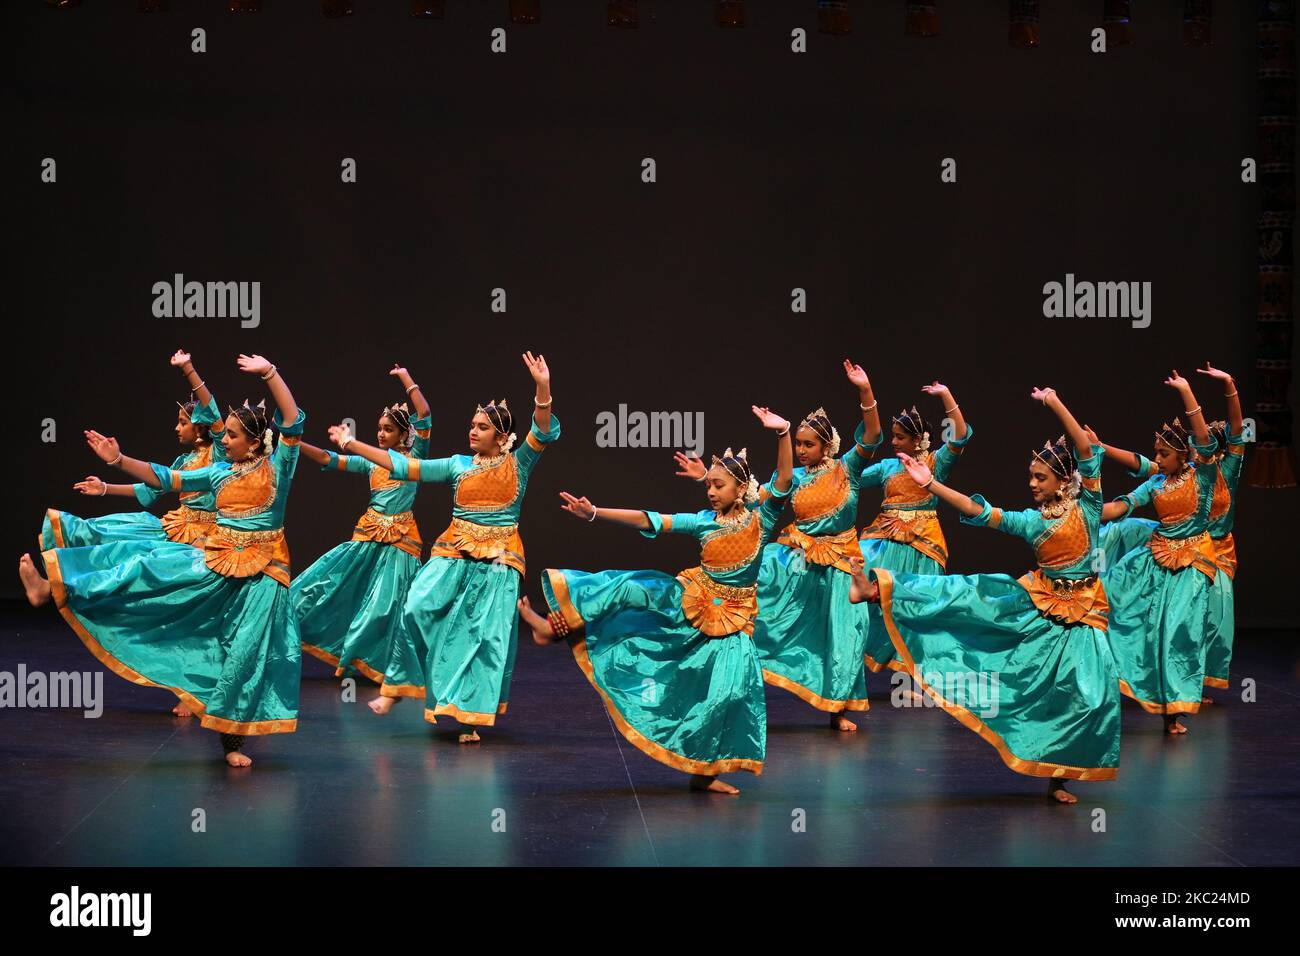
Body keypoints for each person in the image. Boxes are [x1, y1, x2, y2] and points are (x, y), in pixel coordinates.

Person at [18, 354, 306, 767]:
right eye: (224, 435)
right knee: (142, 568)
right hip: (216, 563)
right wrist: (119, 461)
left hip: (264, 577)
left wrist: (271, 374)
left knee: (242, 654)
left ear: (255, 441)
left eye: (233, 436)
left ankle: (231, 742)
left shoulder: (280, 468)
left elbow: (293, 421)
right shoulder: (218, 472)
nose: (224, 441)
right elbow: (165, 480)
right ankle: (54, 587)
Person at [850, 387, 1117, 804]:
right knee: (965, 594)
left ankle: (1060, 774)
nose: (1031, 484)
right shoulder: (1031, 521)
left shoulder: (1089, 504)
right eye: (1030, 476)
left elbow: (1084, 449)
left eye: (1040, 478)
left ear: (1064, 480)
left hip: (1086, 612)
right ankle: (878, 588)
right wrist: (932, 484)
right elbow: (980, 512)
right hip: (1043, 608)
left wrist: (1055, 403)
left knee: (1092, 695)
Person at [518, 406, 794, 795]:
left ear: (740, 490)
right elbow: (650, 519)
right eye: (708, 486)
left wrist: (782, 432)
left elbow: (783, 478)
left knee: (730, 692)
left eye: (718, 486)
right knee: (630, 589)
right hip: (693, 600)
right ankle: (556, 625)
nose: (711, 492)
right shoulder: (702, 522)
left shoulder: (760, 521)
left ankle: (704, 771)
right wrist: (595, 513)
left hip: (735, 620)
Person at [327, 352, 557, 743]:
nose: (473, 431)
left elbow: (544, 429)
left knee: (482, 636)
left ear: (502, 437)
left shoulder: (518, 464)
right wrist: (353, 444)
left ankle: (468, 716)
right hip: (454, 551)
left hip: (500, 560)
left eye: (482, 427)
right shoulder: (455, 465)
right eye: (472, 425)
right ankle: (398, 689)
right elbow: (403, 467)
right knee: (416, 607)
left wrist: (542, 387)